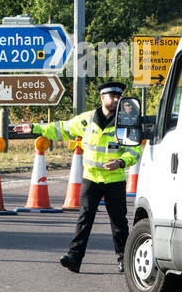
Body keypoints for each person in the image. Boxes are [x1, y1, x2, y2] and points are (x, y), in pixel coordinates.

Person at [13, 80, 139, 274]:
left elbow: (134, 150)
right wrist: (36, 128)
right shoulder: (87, 119)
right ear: (102, 97)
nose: (115, 100)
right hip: (91, 179)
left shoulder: (126, 121)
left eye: (118, 97)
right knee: (84, 219)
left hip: (114, 180)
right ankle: (74, 257)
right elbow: (61, 128)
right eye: (112, 96)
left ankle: (125, 260)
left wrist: (121, 162)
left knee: (119, 223)